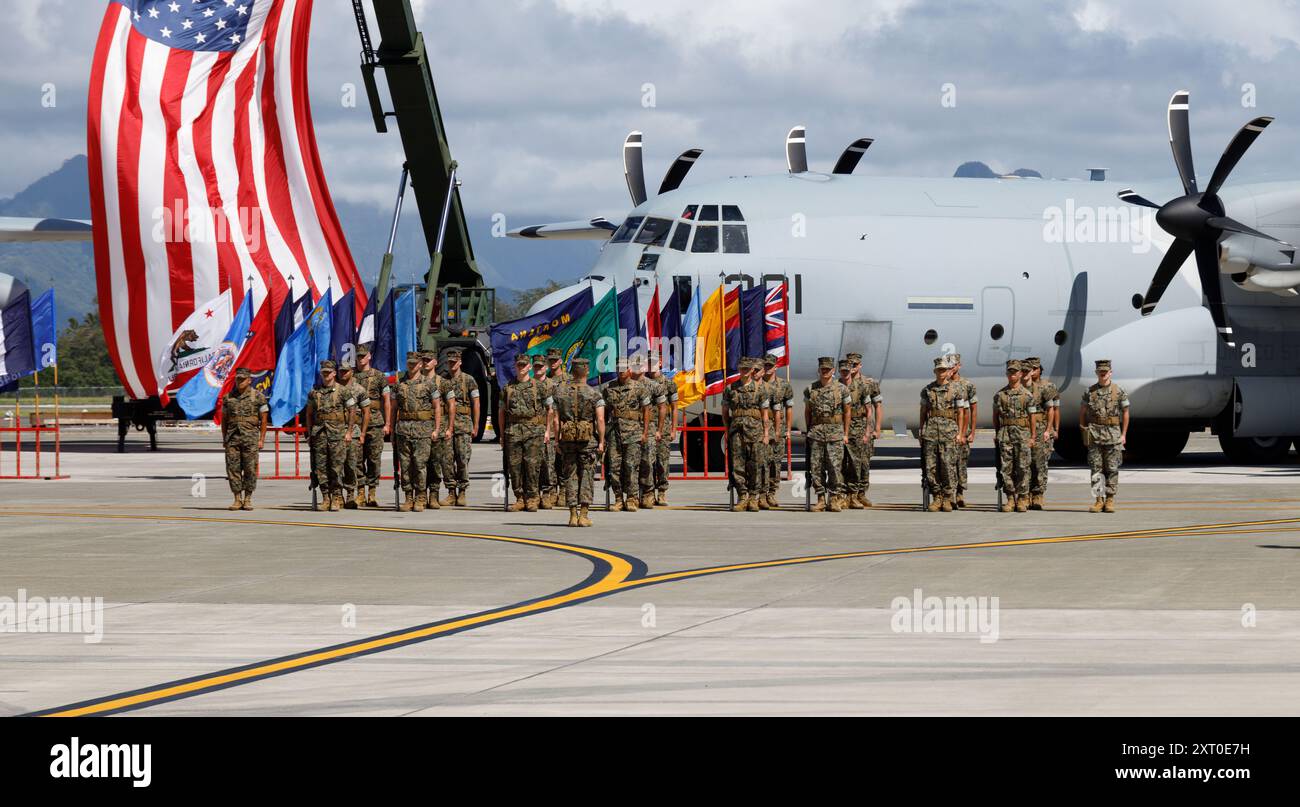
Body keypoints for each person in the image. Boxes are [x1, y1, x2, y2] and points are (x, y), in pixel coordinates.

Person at [554, 357, 605, 527]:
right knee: (587, 476)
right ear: (587, 371)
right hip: (587, 441)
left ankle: (572, 515)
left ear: (572, 372)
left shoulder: (560, 393)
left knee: (570, 476)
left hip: (568, 441)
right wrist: (601, 441)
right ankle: (584, 515)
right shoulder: (594, 394)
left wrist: (557, 440)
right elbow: (600, 419)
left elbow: (556, 420)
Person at [501, 354, 552, 511]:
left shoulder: (540, 387)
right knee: (514, 467)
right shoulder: (508, 387)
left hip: (534, 431)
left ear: (529, 367)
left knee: (532, 466)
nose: (522, 368)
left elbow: (550, 410)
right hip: (513, 431)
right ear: (515, 366)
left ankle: (532, 498)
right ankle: (519, 498)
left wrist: (547, 430)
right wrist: (502, 435)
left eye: (524, 365)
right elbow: (501, 412)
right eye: (519, 365)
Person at [305, 359, 357, 512]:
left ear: (334, 373)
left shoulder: (343, 391)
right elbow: (309, 414)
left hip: (337, 434)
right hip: (319, 434)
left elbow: (352, 410)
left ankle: (336, 497)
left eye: (328, 373)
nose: (326, 375)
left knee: (336, 467)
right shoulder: (314, 392)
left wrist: (349, 431)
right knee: (321, 468)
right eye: (324, 373)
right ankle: (325, 497)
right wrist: (309, 433)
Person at [919, 356, 969, 512]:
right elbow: (923, 412)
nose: (941, 373)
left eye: (943, 370)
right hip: (931, 433)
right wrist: (921, 430)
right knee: (931, 466)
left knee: (948, 466)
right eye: (939, 370)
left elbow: (961, 412)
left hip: (949, 433)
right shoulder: (927, 390)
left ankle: (947, 497)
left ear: (948, 371)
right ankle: (937, 497)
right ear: (935, 371)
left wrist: (960, 433)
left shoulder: (956, 390)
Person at [392, 352, 440, 512]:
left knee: (420, 465)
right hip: (403, 430)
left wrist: (436, 429)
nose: (412, 366)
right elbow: (394, 409)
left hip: (423, 430)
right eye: (409, 363)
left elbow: (437, 407)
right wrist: (392, 430)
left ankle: (420, 496)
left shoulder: (429, 384)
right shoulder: (399, 384)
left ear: (420, 365)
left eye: (415, 363)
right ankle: (408, 497)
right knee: (405, 465)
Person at [1080, 359, 1129, 513]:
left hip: (1113, 435)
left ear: (1110, 372)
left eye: (1105, 371)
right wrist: (1083, 429)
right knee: (1096, 468)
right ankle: (1098, 500)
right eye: (1100, 371)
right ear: (1096, 373)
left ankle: (1110, 499)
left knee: (1112, 468)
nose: (1103, 374)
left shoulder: (1118, 391)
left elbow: (1126, 413)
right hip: (1095, 434)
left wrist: (1124, 434)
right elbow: (1082, 411)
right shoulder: (1090, 392)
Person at [602, 357, 651, 511]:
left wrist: (645, 432)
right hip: (614, 433)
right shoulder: (609, 388)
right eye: (619, 369)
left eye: (624, 369)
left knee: (631, 466)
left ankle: (631, 498)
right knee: (614, 467)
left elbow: (646, 411)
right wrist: (603, 435)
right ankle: (618, 498)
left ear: (629, 370)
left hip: (633, 432)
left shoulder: (639, 388)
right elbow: (604, 412)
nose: (621, 372)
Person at [723, 357, 770, 511]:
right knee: (738, 464)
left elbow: (765, 415)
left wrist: (766, 434)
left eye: (747, 369)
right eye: (742, 368)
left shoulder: (760, 389)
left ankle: (753, 497)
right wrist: (727, 430)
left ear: (752, 370)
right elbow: (725, 412)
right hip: (737, 431)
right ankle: (742, 496)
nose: (744, 371)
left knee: (755, 465)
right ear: (738, 369)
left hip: (755, 432)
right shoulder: (730, 389)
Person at [804, 356, 850, 512]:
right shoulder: (810, 389)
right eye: (822, 369)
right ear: (819, 370)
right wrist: (809, 430)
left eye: (828, 369)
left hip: (835, 433)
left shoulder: (842, 389)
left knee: (835, 468)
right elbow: (807, 412)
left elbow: (847, 412)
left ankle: (834, 499)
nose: (825, 371)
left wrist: (845, 433)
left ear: (833, 370)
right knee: (816, 468)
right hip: (816, 433)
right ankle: (821, 499)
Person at [992, 359, 1038, 512]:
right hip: (1005, 435)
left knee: (1023, 467)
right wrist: (998, 433)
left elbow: (1032, 417)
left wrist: (1032, 437)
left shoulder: (1027, 395)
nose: (1012, 374)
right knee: (1006, 468)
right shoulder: (1000, 395)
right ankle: (1011, 498)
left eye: (1015, 372)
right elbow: (995, 416)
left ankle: (1023, 498)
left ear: (1020, 374)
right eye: (1009, 371)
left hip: (1022, 435)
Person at [221, 367, 267, 511]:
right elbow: (224, 420)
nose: (239, 382)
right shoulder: (228, 398)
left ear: (249, 380)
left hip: (250, 439)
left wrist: (261, 439)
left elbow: (264, 420)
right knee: (232, 469)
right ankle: (237, 499)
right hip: (232, 438)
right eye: (238, 379)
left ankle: (247, 498)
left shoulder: (258, 397)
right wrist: (225, 439)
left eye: (242, 379)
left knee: (250, 469)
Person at [845, 351, 884, 509]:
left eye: (855, 364)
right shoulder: (842, 382)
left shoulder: (869, 383)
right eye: (849, 364)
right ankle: (848, 494)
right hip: (847, 426)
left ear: (860, 365)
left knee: (864, 462)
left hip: (863, 425)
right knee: (846, 462)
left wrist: (877, 428)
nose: (852, 367)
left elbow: (877, 406)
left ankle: (861, 493)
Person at [352, 345, 390, 508]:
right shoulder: (351, 376)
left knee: (374, 459)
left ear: (369, 356)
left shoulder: (379, 376)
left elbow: (386, 401)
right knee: (357, 459)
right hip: (356, 422)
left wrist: (387, 423)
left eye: (363, 356)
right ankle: (360, 492)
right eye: (358, 356)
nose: (361, 359)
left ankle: (372, 493)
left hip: (375, 422)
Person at [442, 349, 479, 506]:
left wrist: (476, 425)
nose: (452, 365)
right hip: (446, 425)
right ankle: (451, 492)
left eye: (454, 362)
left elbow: (476, 403)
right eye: (449, 362)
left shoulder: (469, 380)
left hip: (463, 424)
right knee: (447, 459)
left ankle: (462, 491)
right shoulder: (442, 380)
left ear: (460, 362)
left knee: (463, 459)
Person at [1025, 356, 1059, 510]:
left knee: (1040, 463)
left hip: (1041, 427)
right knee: (1025, 463)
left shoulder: (1047, 387)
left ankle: (1038, 494)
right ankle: (1025, 494)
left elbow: (1054, 410)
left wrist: (1053, 429)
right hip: (1025, 428)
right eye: (1029, 369)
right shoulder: (1022, 387)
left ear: (1040, 370)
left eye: (1035, 369)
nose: (1032, 371)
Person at [336, 362, 371, 509]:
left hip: (354, 431)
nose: (343, 373)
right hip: (336, 431)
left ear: (351, 372)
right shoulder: (334, 388)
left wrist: (362, 433)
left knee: (351, 464)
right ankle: (337, 495)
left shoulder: (359, 390)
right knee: (337, 465)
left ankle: (350, 493)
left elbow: (366, 412)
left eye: (346, 371)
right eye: (341, 371)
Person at [641, 353, 673, 508]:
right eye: (648, 362)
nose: (651, 365)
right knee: (647, 460)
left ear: (660, 362)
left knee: (662, 461)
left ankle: (662, 491)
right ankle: (648, 492)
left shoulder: (668, 383)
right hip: (648, 426)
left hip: (663, 428)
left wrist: (673, 429)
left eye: (653, 362)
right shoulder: (642, 382)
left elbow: (674, 407)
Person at [761, 354, 793, 509]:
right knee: (761, 462)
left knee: (775, 462)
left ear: (776, 367)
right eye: (765, 365)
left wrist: (788, 429)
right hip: (761, 427)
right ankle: (761, 494)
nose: (767, 368)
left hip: (777, 428)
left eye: (770, 365)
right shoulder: (757, 383)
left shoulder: (784, 385)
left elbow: (789, 408)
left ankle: (771, 493)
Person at [421, 352, 452, 510]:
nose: (425, 363)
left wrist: (449, 428)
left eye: (428, 360)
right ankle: (421, 495)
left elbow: (451, 405)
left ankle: (434, 495)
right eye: (423, 360)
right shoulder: (415, 381)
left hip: (437, 429)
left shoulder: (443, 383)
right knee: (419, 463)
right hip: (419, 429)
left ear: (435, 362)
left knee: (435, 463)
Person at [949, 353, 978, 508]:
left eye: (954, 365)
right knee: (947, 463)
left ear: (959, 366)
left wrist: (972, 432)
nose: (951, 368)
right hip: (946, 429)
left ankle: (960, 493)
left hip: (963, 431)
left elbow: (973, 410)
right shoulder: (943, 384)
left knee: (961, 463)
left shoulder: (967, 385)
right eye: (949, 365)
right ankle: (949, 494)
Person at [530, 352, 558, 509]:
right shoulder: (529, 384)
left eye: (541, 367)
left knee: (548, 464)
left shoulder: (552, 386)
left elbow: (557, 409)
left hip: (550, 431)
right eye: (536, 367)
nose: (538, 369)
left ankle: (548, 493)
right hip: (532, 431)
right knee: (533, 464)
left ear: (546, 367)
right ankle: (534, 494)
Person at [544, 346, 569, 507]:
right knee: (550, 462)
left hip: (565, 425)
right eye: (550, 360)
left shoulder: (568, 380)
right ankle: (552, 490)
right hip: (550, 427)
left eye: (555, 360)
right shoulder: (544, 379)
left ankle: (564, 490)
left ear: (560, 361)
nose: (553, 363)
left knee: (564, 461)